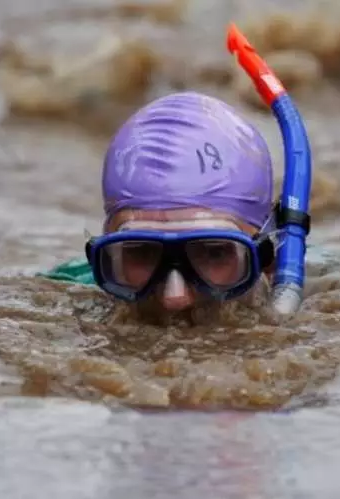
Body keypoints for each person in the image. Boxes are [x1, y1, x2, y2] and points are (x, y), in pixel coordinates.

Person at [40, 25, 312, 322]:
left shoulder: (332, 294)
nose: (174, 297)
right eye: (141, 252)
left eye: (214, 253)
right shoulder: (55, 298)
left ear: (268, 259)